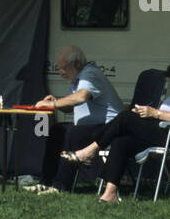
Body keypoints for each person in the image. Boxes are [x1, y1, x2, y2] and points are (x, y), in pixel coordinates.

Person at [64, 55, 170, 204]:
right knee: (121, 143)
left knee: (125, 117)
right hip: (168, 134)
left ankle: (90, 150)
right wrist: (147, 115)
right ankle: (110, 193)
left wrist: (155, 113)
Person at [31, 47, 123, 193]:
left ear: (78, 64)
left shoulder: (89, 74)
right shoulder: (78, 78)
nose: (61, 73)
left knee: (73, 132)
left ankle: (60, 186)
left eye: (64, 68)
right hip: (95, 127)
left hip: (111, 129)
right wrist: (57, 102)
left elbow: (81, 97)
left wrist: (53, 104)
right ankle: (46, 181)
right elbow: (70, 106)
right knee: (57, 130)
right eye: (59, 69)